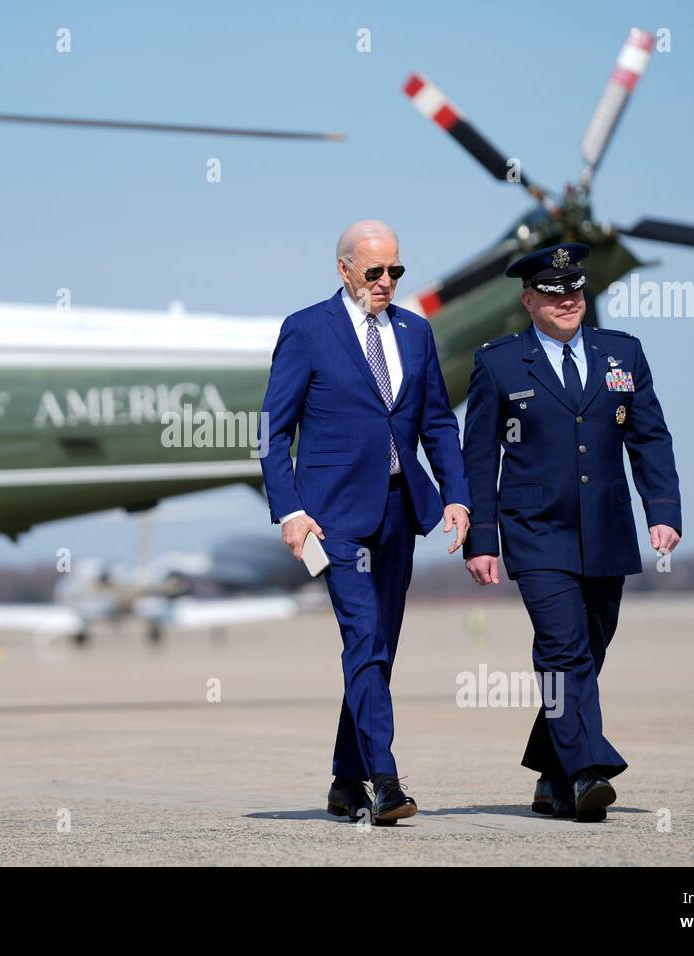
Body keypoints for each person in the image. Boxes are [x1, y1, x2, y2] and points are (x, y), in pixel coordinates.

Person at [260, 219, 471, 825]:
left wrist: (457, 496)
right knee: (363, 638)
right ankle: (384, 780)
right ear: (344, 269)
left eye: (395, 271)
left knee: (380, 646)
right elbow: (273, 431)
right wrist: (291, 509)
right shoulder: (306, 330)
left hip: (401, 510)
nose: (386, 282)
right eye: (374, 271)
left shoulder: (415, 332)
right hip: (332, 520)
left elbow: (437, 423)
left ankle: (343, 780)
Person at [461, 242, 681, 821]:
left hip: (607, 528)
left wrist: (661, 509)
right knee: (562, 650)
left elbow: (650, 437)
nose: (568, 302)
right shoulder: (499, 363)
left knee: (589, 649)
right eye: (554, 295)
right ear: (529, 300)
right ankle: (586, 772)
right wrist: (482, 540)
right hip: (535, 533)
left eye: (576, 292)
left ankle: (551, 771)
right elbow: (479, 458)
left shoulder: (623, 354)